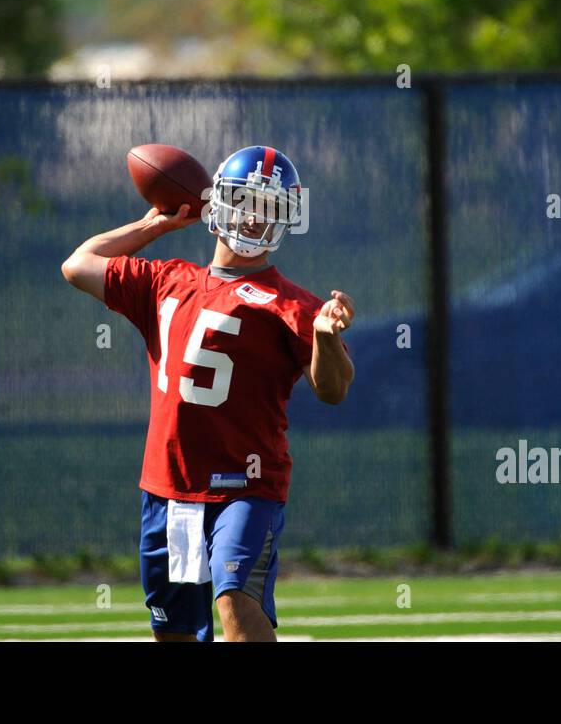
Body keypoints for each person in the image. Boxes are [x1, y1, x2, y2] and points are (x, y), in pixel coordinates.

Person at [61, 145, 355, 641]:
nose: (253, 218)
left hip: (246, 485)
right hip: (169, 484)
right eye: (244, 200)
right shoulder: (167, 280)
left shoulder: (294, 306)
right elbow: (77, 264)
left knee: (236, 602)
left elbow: (333, 390)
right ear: (216, 201)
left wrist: (326, 339)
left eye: (269, 209)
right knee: (175, 632)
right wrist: (154, 224)